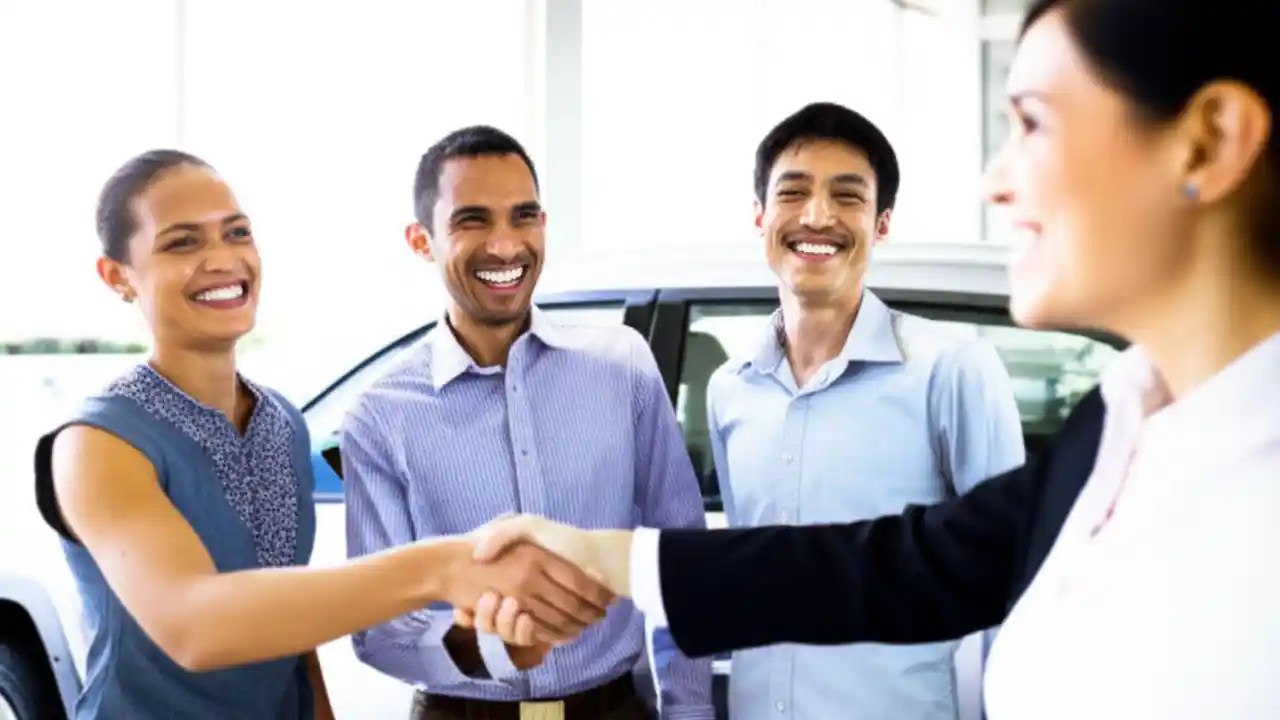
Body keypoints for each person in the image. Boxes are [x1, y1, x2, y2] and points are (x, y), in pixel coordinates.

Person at [465, 1, 1280, 718]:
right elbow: (879, 569)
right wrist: (600, 557)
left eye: (1033, 123)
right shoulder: (1119, 423)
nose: (996, 181)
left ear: (1207, 143)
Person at [32, 149, 613, 720]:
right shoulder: (96, 443)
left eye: (237, 234)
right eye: (183, 242)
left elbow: (292, 630)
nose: (222, 259)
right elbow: (193, 626)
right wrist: (445, 566)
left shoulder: (280, 422)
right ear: (117, 277)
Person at [339, 125, 713, 720]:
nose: (506, 245)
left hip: (616, 710)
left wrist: (689, 712)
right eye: (473, 220)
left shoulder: (623, 367)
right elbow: (379, 630)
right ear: (421, 240)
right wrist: (497, 645)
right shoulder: (380, 416)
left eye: (523, 216)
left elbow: (680, 561)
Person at [699, 101, 1023, 720]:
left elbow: (1011, 589)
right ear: (761, 216)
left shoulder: (950, 371)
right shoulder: (729, 390)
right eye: (793, 193)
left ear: (881, 224)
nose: (817, 216)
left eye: (847, 197)